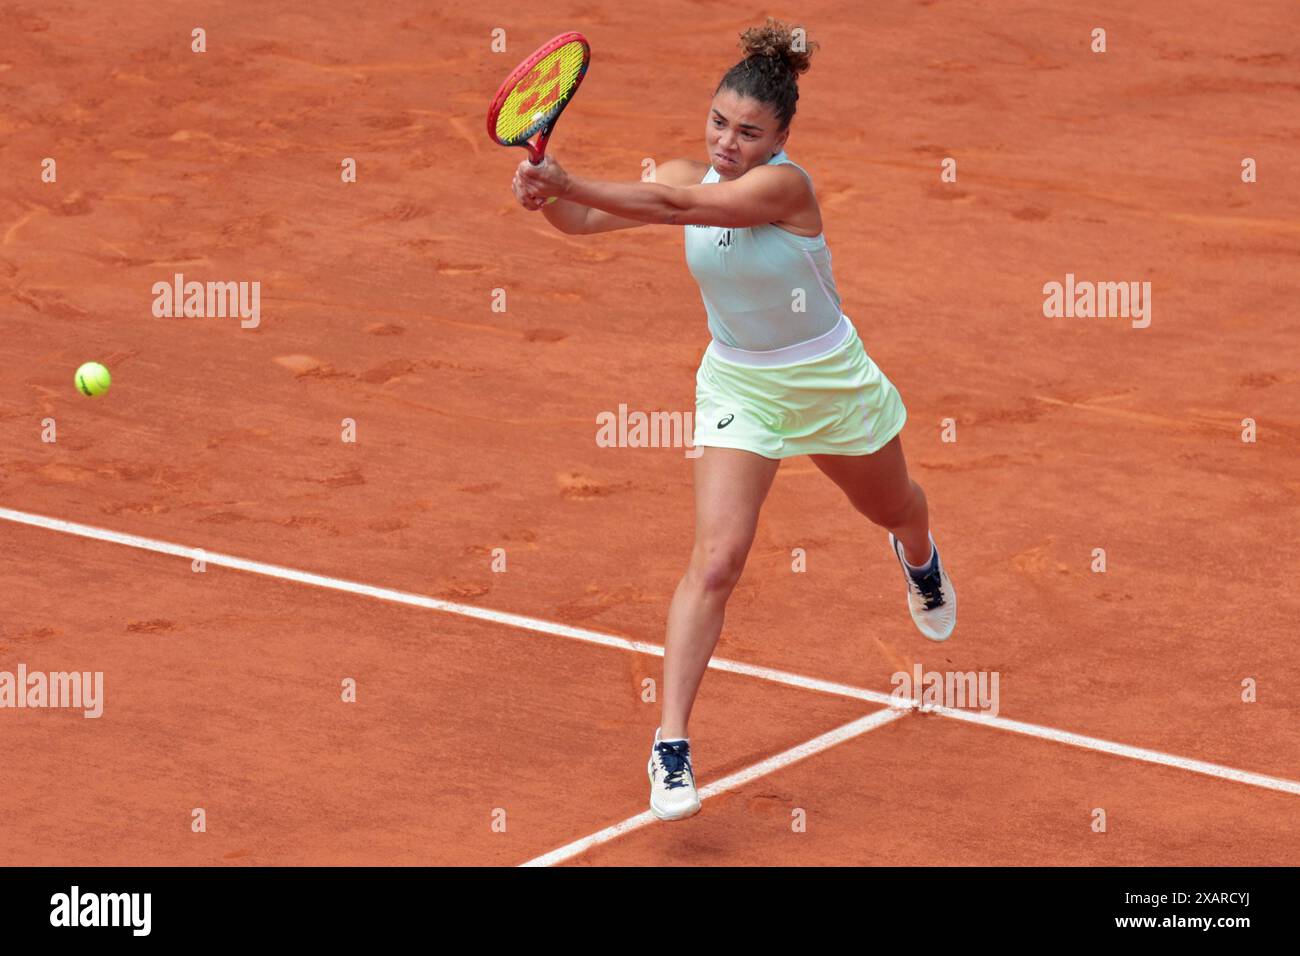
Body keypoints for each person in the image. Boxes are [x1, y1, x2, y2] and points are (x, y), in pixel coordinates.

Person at [512, 18, 956, 822]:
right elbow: (582, 226)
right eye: (719, 122)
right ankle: (672, 745)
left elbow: (678, 206)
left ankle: (918, 557)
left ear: (781, 137)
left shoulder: (785, 190)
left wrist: (571, 181)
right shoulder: (689, 169)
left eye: (750, 133)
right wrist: (548, 197)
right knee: (717, 561)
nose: (727, 142)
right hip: (740, 389)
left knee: (894, 507)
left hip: (828, 383)